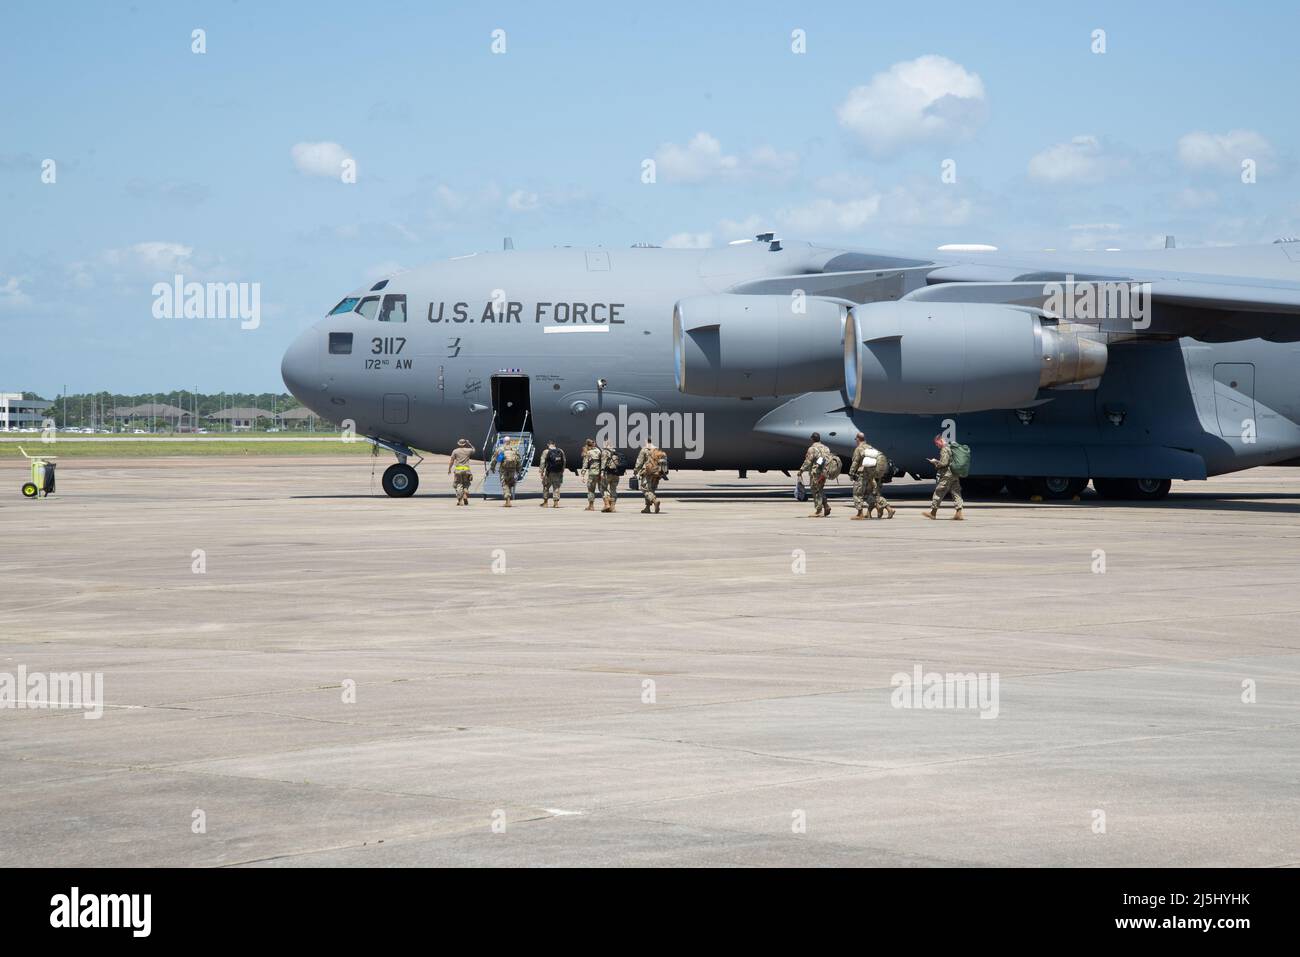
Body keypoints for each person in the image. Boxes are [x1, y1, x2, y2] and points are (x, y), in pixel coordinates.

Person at [926, 434, 965, 520]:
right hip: (955, 474)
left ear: (941, 441)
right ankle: (959, 513)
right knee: (956, 492)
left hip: (947, 475)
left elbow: (944, 463)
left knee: (939, 491)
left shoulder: (944, 449)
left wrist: (935, 462)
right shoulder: (951, 447)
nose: (937, 446)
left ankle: (933, 513)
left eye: (937, 444)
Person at [798, 432, 836, 517]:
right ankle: (826, 506)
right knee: (820, 489)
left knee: (815, 490)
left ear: (812, 439)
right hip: (824, 472)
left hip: (816, 473)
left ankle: (819, 510)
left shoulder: (812, 449)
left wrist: (801, 470)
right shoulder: (826, 448)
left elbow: (808, 461)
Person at [633, 440, 667, 513]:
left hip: (647, 472)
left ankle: (655, 501)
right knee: (651, 490)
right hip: (657, 473)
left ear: (646, 441)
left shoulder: (644, 450)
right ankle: (647, 508)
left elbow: (639, 462)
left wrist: (635, 471)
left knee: (645, 489)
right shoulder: (657, 450)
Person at [489, 439, 521, 506]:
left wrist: (492, 468)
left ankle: (508, 500)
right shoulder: (514, 449)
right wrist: (518, 470)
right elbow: (518, 460)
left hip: (504, 470)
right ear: (510, 442)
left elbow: (494, 459)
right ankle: (509, 496)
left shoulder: (500, 449)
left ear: (504, 442)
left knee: (505, 484)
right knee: (510, 483)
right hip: (512, 470)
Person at [538, 439, 566, 508]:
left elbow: (542, 462)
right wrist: (562, 470)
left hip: (549, 473)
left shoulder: (546, 451)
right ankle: (556, 503)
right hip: (558, 472)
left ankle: (545, 503)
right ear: (554, 444)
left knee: (546, 487)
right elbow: (564, 461)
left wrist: (541, 472)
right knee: (556, 487)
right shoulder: (560, 451)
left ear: (548, 445)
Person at [447, 438, 475, 506]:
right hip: (466, 470)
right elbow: (474, 450)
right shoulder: (468, 450)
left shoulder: (455, 451)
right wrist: (469, 443)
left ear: (458, 444)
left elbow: (451, 461)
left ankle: (460, 500)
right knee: (466, 484)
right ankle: (465, 494)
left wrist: (449, 469)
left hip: (458, 471)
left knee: (458, 484)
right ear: (465, 444)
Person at [599, 441, 622, 512]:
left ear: (606, 444)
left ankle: (606, 504)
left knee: (603, 488)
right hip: (616, 474)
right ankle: (613, 507)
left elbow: (603, 462)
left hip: (607, 473)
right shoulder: (615, 452)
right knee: (613, 490)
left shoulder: (605, 452)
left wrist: (602, 472)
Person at [581, 439, 603, 511]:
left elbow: (585, 464)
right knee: (602, 489)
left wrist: (582, 475)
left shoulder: (588, 452)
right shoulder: (599, 451)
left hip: (592, 473)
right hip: (600, 473)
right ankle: (607, 504)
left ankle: (591, 506)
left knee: (591, 490)